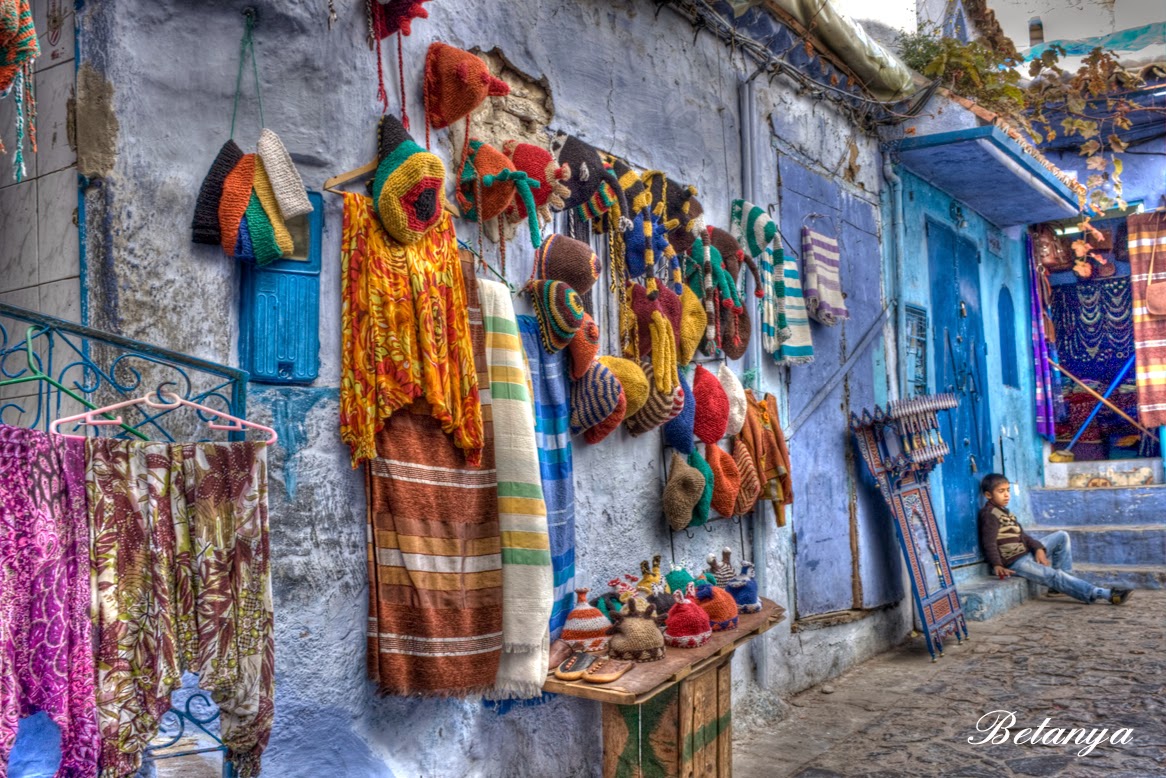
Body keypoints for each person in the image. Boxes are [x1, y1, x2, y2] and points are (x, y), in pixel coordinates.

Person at [977, 473, 1132, 605]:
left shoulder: (1006, 513)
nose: (1006, 495)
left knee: (1061, 536)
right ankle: (1102, 593)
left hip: (1025, 553)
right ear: (989, 495)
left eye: (1008, 490)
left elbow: (1023, 536)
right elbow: (988, 542)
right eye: (1001, 491)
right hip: (1015, 562)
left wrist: (1038, 549)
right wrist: (997, 564)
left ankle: (1060, 586)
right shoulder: (989, 514)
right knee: (1053, 575)